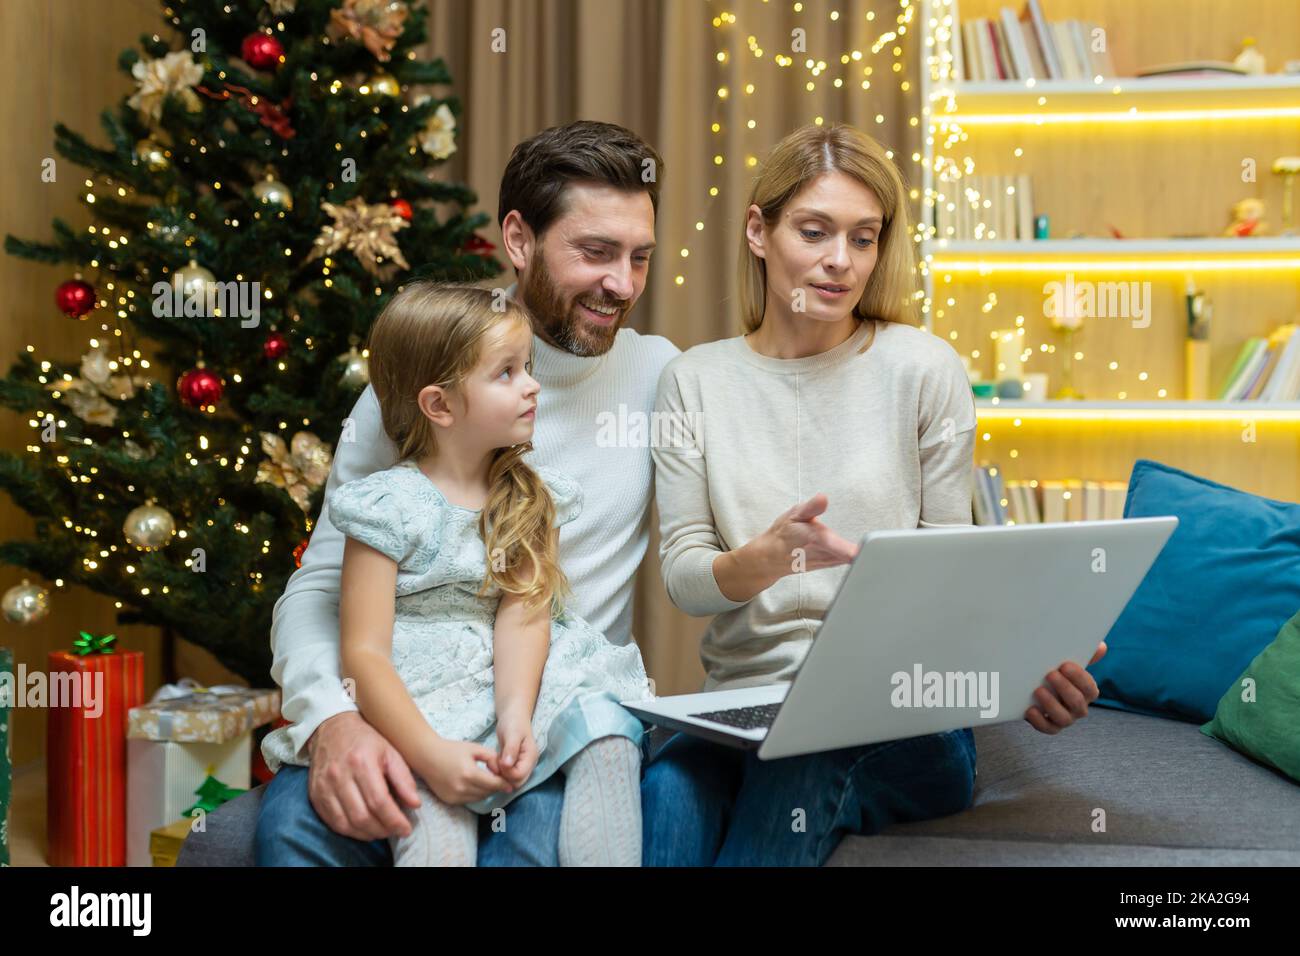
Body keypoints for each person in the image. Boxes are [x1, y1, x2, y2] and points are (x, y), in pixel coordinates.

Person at [642, 123, 1108, 866]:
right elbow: (685, 577)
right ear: (759, 231)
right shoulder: (694, 381)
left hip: (905, 711)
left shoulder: (921, 369)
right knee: (667, 792)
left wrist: (1026, 663)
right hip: (746, 705)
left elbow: (953, 570)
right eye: (816, 231)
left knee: (803, 759)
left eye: (864, 238)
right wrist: (763, 561)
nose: (840, 261)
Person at [256, 121, 678, 866]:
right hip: (407, 696)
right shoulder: (440, 363)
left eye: (639, 257)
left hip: (543, 706)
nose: (622, 284)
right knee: (292, 828)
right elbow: (320, 588)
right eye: (595, 252)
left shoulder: (662, 379)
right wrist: (330, 720)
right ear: (519, 239)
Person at [324, 283, 651, 866]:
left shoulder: (530, 497)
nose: (532, 385)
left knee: (608, 735)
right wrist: (428, 752)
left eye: (526, 368)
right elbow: (364, 652)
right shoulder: (386, 508)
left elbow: (524, 615)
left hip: (519, 678)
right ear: (439, 405)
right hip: (426, 696)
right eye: (506, 374)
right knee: (434, 818)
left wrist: (516, 715)